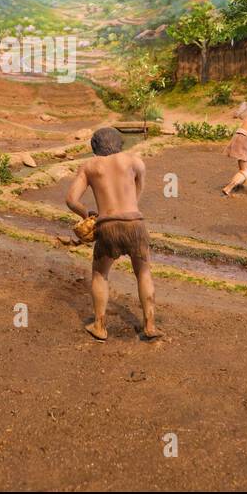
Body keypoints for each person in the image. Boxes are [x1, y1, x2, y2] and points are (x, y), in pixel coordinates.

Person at [65, 127, 161, 341]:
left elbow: (71, 199)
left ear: (95, 148)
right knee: (143, 272)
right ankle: (150, 325)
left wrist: (87, 213)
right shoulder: (135, 161)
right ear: (120, 144)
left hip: (107, 226)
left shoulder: (89, 166)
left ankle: (99, 326)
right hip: (135, 223)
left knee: (100, 274)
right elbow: (138, 193)